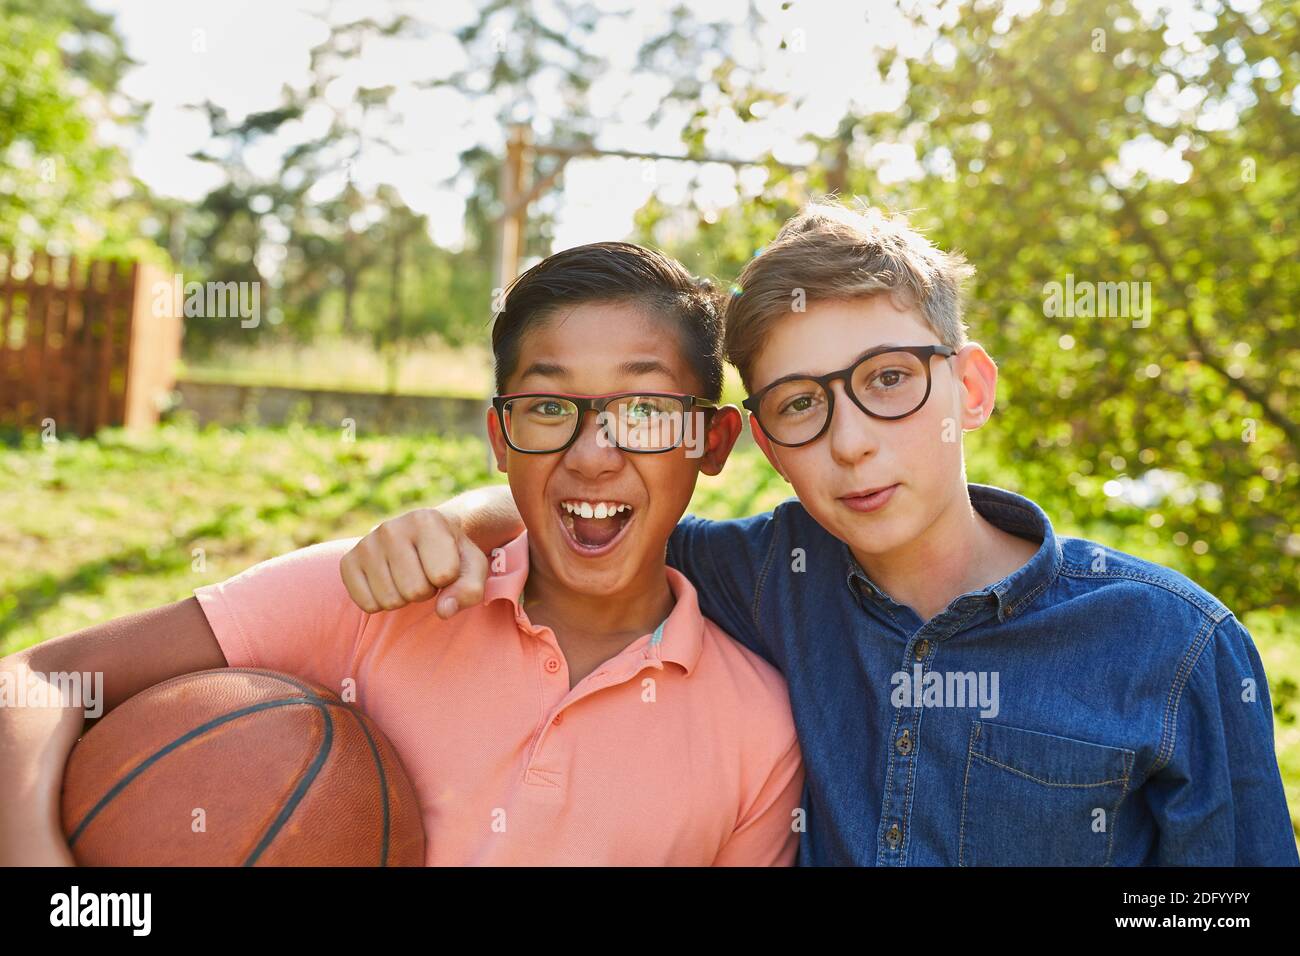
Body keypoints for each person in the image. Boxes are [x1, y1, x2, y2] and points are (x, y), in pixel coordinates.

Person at [342, 201, 1298, 866]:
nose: (850, 444)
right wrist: (448, 522)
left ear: (967, 389)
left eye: (888, 381)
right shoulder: (765, 574)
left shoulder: (1174, 647)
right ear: (760, 441)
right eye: (802, 405)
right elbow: (595, 500)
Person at [0, 240, 802, 866]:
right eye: (549, 406)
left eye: (645, 409)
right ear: (499, 438)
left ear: (714, 440)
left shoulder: (758, 730)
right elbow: (28, 683)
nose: (593, 454)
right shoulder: (373, 593)